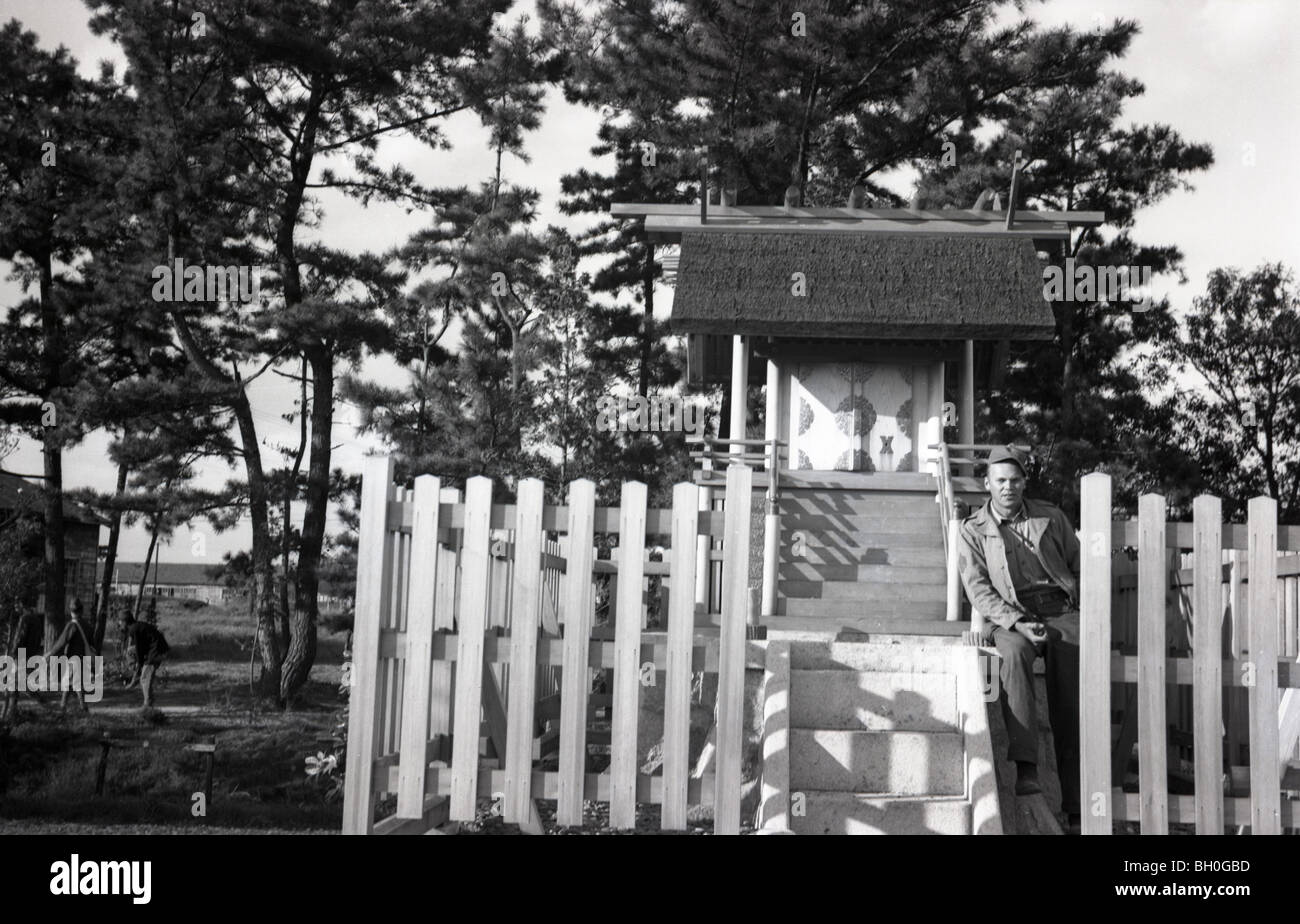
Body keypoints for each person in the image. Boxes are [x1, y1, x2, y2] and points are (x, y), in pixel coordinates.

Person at [957, 445, 1081, 822]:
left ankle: (1076, 803)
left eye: (1014, 480)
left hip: (1059, 611)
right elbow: (977, 588)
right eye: (1000, 481)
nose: (1008, 487)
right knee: (1013, 656)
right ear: (987, 484)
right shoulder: (973, 530)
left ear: (1024, 482)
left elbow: (1080, 566)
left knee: (1073, 682)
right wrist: (1016, 622)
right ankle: (1027, 771)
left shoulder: (1051, 518)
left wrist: (1082, 611)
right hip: (1008, 615)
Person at [47, 598, 96, 712]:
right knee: (70, 683)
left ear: (71, 611)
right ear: (82, 611)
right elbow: (92, 644)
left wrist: (50, 654)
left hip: (73, 659)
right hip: (84, 659)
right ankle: (63, 707)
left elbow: (61, 643)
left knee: (73, 683)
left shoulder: (71, 625)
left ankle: (81, 708)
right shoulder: (87, 626)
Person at [122, 611, 170, 708]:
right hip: (153, 648)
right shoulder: (136, 626)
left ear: (124, 622)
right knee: (130, 651)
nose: (119, 624)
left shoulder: (133, 629)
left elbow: (140, 650)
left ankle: (147, 704)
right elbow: (141, 647)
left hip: (157, 651)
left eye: (120, 622)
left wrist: (140, 664)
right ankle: (136, 673)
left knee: (145, 678)